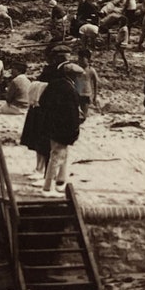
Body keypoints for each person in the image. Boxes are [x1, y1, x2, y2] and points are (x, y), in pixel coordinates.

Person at [37, 60, 83, 197]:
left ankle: (59, 182)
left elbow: (42, 102)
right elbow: (72, 113)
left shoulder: (54, 84)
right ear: (72, 76)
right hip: (63, 128)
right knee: (56, 157)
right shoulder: (71, 90)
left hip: (50, 125)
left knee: (56, 155)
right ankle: (48, 188)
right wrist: (75, 129)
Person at [76, 49, 99, 120]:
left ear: (88, 60)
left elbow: (96, 83)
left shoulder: (91, 70)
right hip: (76, 94)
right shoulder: (76, 69)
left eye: (82, 59)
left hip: (86, 94)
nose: (79, 61)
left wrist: (95, 96)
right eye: (79, 59)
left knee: (83, 115)